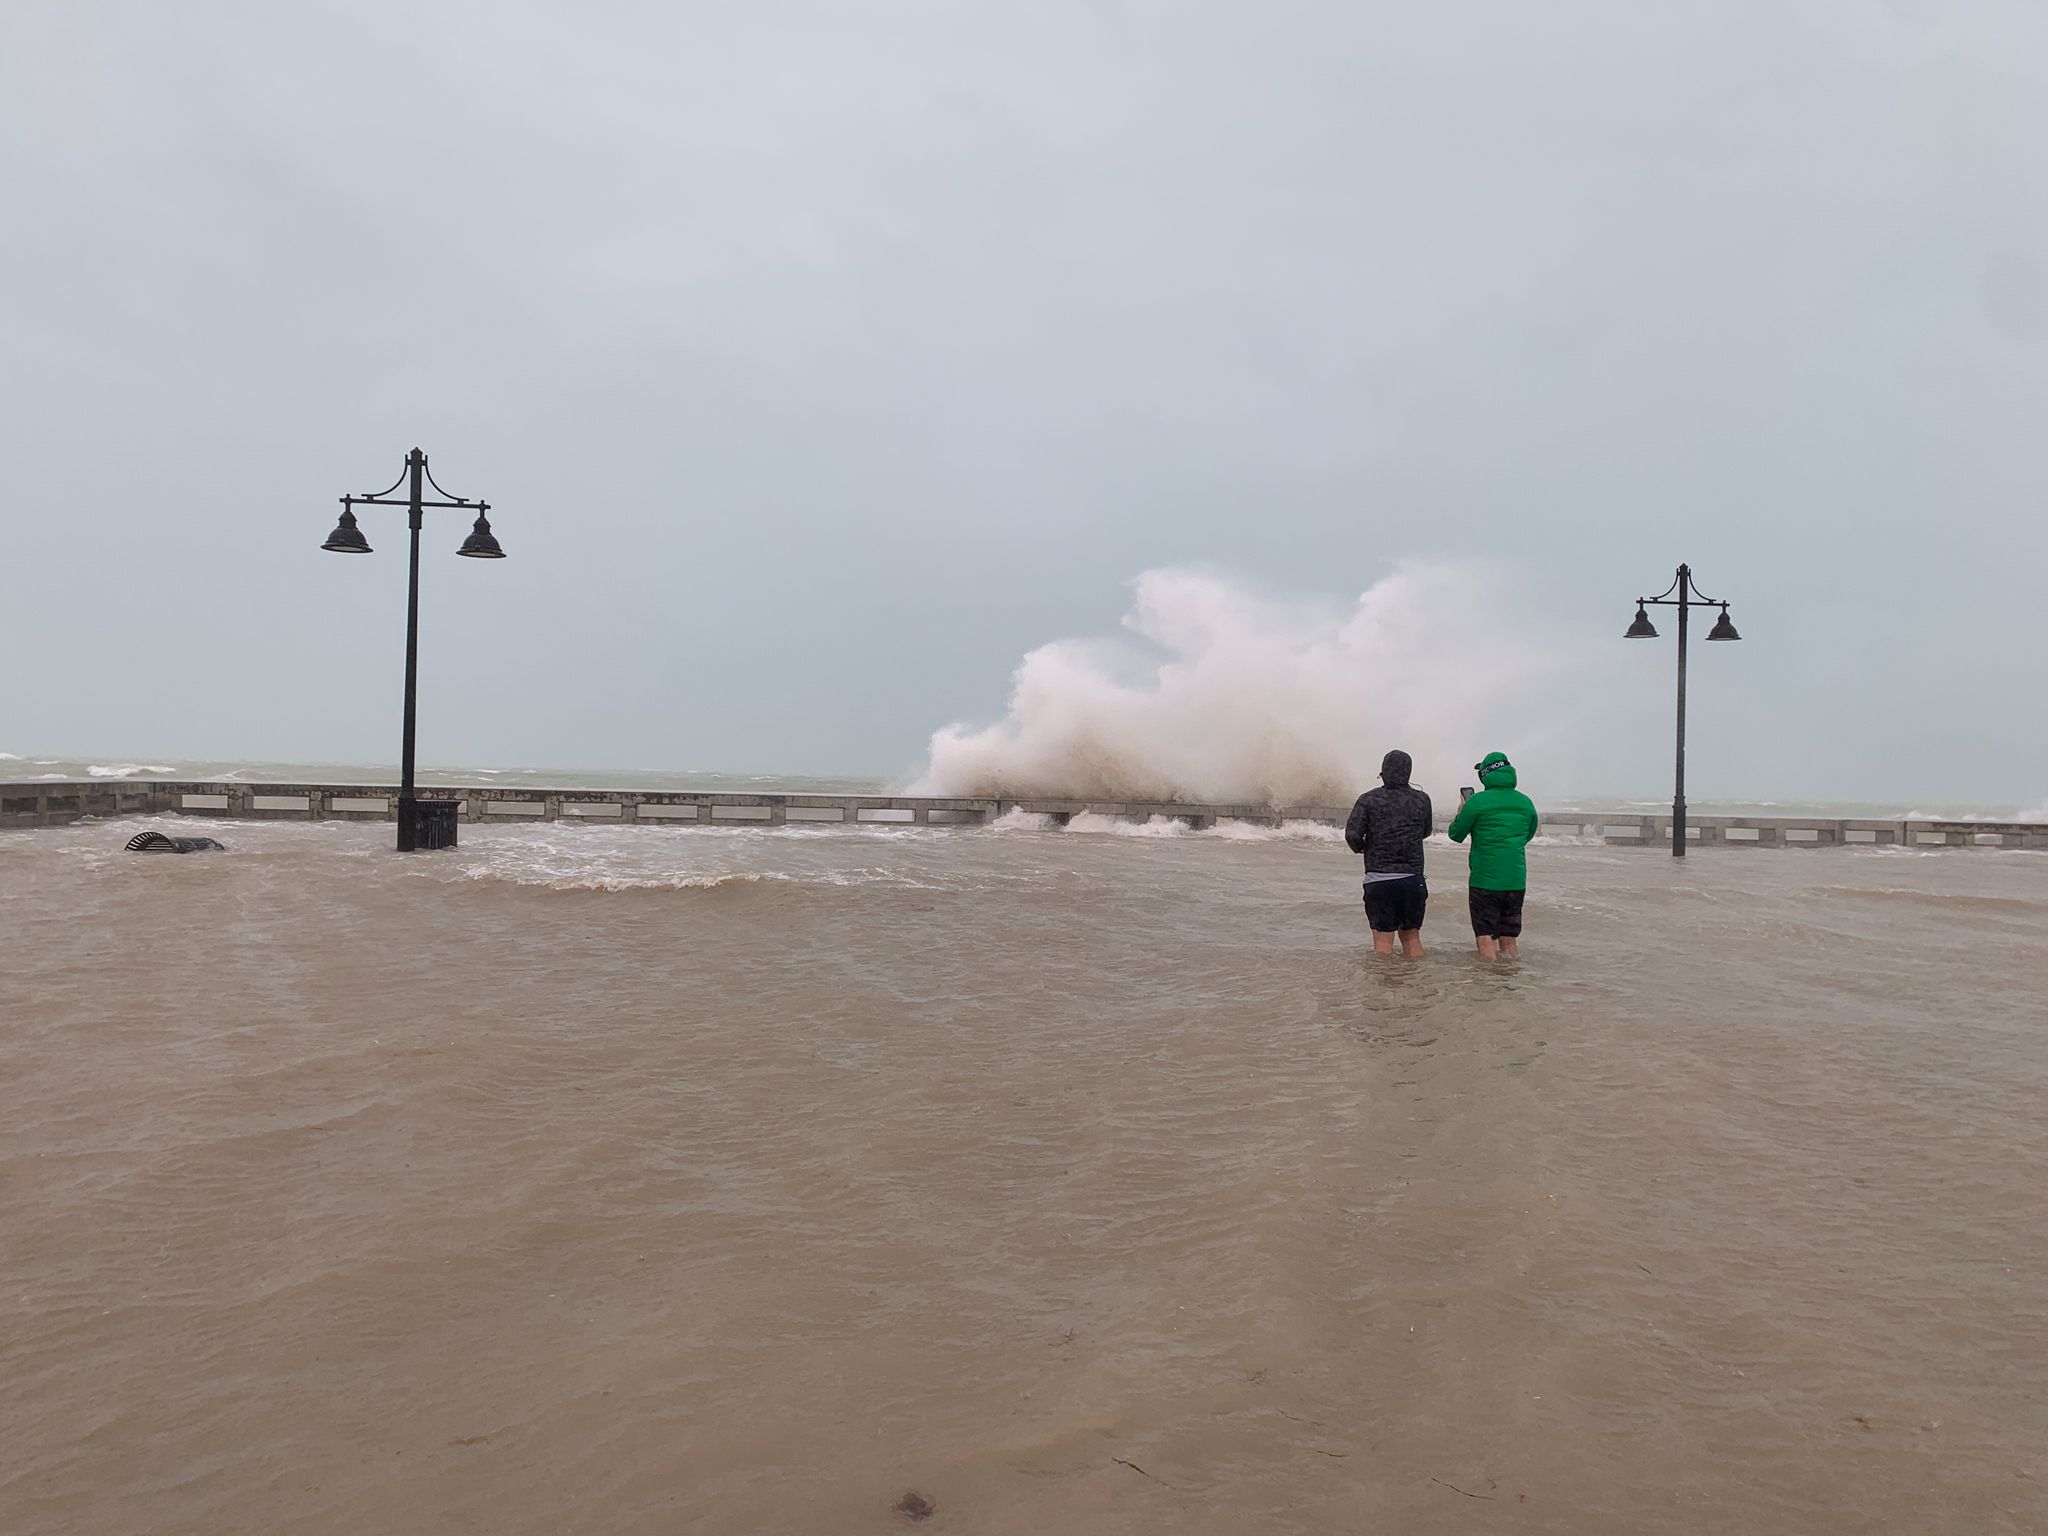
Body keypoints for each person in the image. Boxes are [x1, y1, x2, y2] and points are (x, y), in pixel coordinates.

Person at [1447, 750, 1540, 960]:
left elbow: (1455, 834)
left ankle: (1489, 986)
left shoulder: (1477, 802)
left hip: (1485, 881)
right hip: (1516, 881)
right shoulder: (1526, 802)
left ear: (1485, 774)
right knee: (1508, 936)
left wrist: (1462, 811)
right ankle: (1509, 978)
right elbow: (1528, 834)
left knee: (1485, 935)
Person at [1344, 749, 1433, 958]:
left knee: (1383, 943)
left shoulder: (1368, 799)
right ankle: (1416, 983)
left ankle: (1382, 989)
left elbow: (1352, 834)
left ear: (1383, 772)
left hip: (1379, 880)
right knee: (1412, 938)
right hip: (1413, 879)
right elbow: (1426, 831)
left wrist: (1364, 848)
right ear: (1409, 773)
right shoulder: (1422, 800)